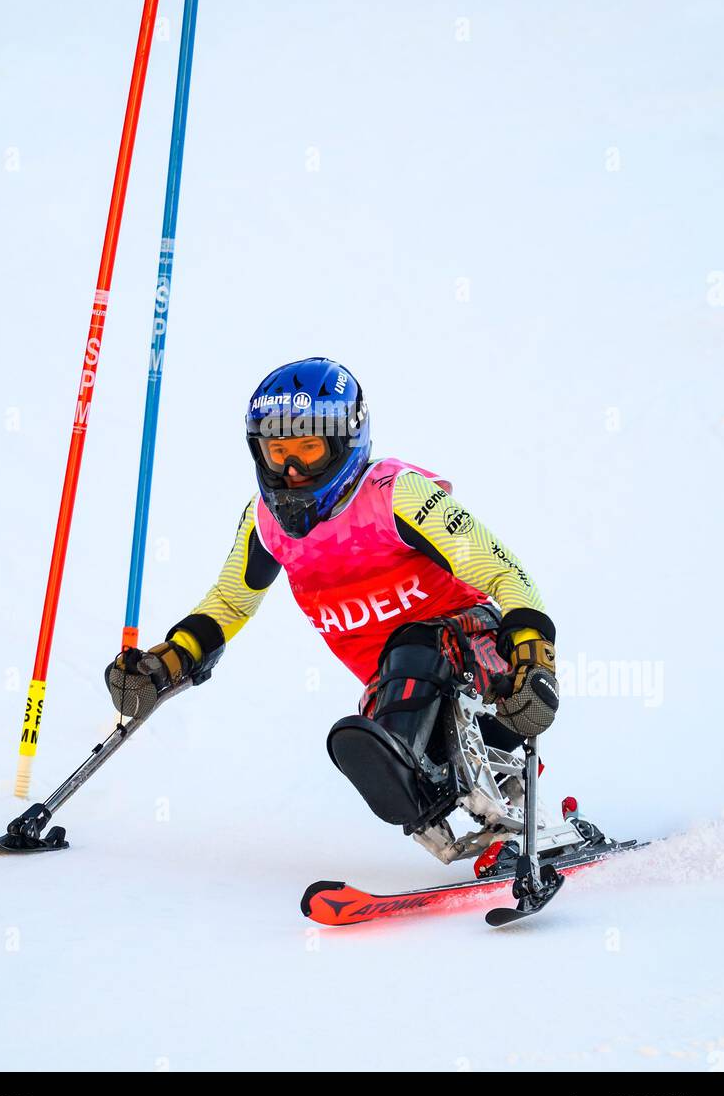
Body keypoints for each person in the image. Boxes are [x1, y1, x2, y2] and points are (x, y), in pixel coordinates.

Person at [105, 357, 558, 838]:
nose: (293, 470)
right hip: (402, 695)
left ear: (346, 444)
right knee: (384, 719)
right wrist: (173, 658)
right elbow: (232, 602)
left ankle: (412, 770)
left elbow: (504, 572)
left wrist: (534, 658)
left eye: (309, 449)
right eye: (278, 452)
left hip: (483, 665)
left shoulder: (393, 495)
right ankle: (446, 802)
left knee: (415, 647)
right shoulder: (266, 521)